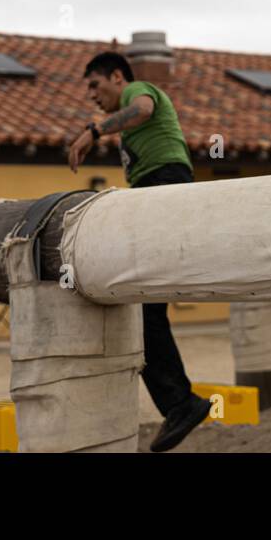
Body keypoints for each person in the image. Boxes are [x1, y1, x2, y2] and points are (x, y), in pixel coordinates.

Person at [68, 51, 212, 452]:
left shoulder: (137, 90)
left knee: (144, 309)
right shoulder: (129, 111)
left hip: (163, 187)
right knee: (143, 309)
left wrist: (94, 132)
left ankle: (181, 403)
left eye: (96, 85)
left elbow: (143, 109)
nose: (93, 96)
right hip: (154, 190)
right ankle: (180, 403)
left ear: (117, 77)